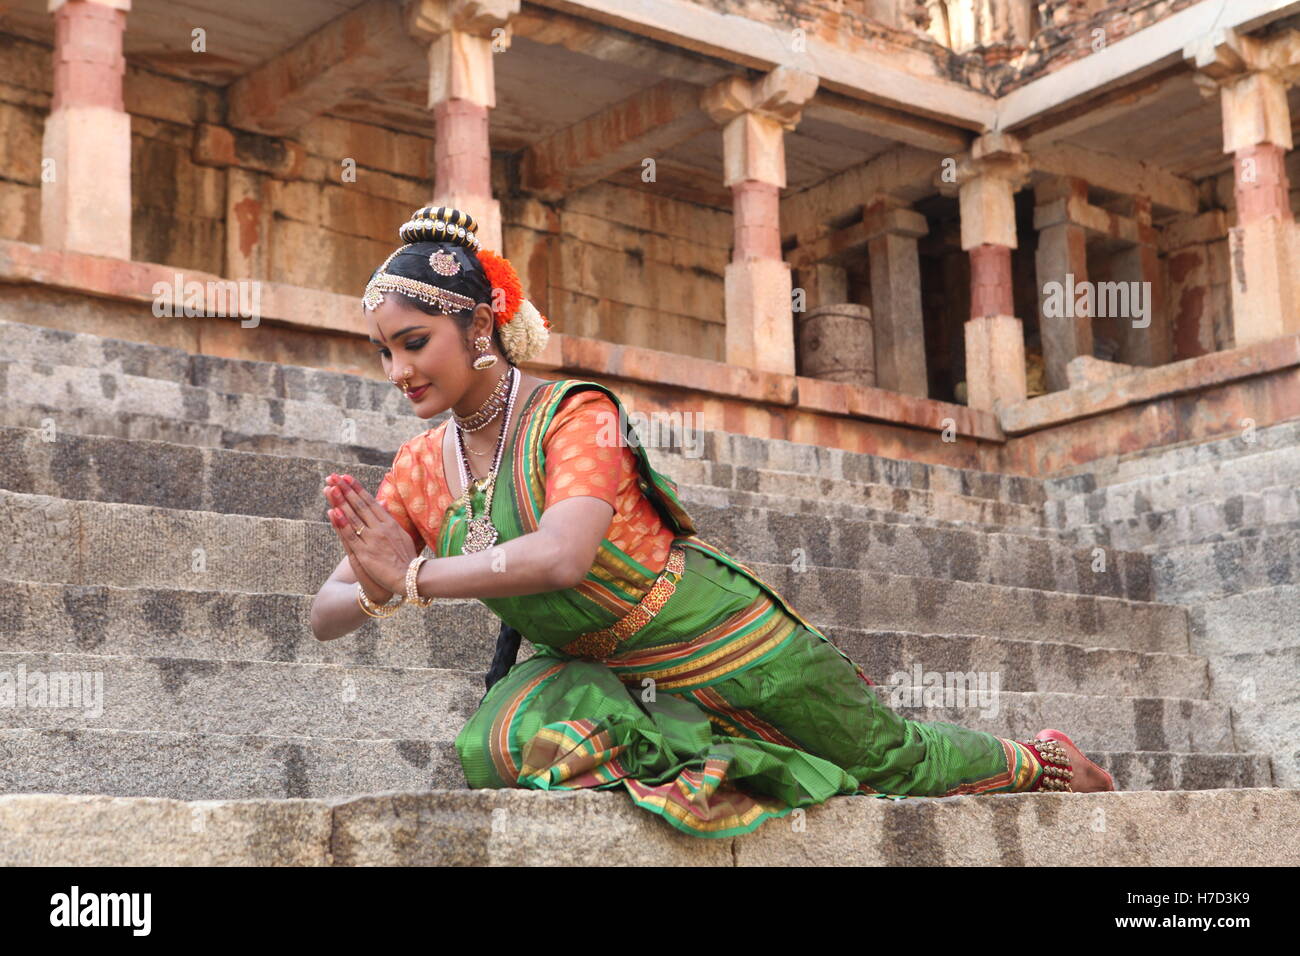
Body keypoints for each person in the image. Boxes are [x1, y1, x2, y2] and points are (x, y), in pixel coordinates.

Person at [309, 205, 1117, 839]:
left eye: (413, 343)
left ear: (480, 327)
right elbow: (325, 612)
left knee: (887, 761)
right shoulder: (422, 464)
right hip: (609, 672)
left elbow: (561, 556)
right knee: (502, 738)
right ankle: (699, 765)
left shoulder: (575, 415)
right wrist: (379, 585)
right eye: (383, 351)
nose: (398, 371)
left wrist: (411, 579)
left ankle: (1040, 762)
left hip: (722, 638)